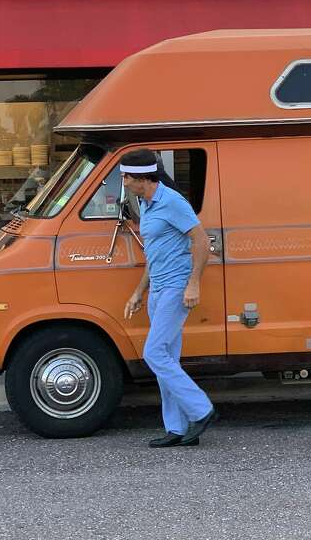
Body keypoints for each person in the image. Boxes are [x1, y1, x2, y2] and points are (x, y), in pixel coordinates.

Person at [121, 148, 217, 448]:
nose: (123, 181)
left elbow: (201, 241)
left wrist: (193, 285)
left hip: (176, 287)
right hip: (158, 289)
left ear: (143, 178)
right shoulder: (146, 203)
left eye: (127, 177)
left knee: (154, 353)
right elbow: (154, 253)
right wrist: (139, 291)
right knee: (168, 358)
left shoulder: (172, 202)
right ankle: (176, 428)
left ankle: (201, 409)